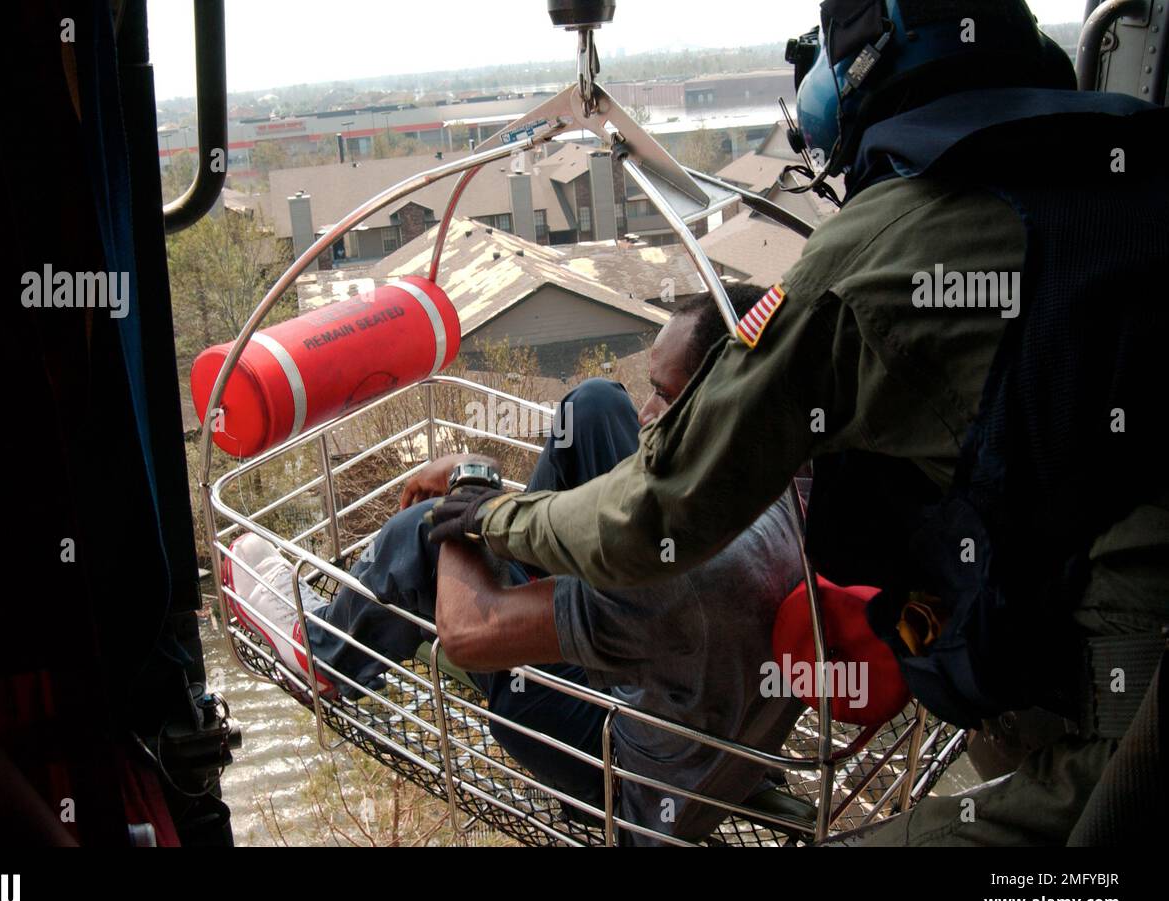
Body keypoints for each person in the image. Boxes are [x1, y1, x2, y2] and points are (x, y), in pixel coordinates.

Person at [426, 0, 1169, 845]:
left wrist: (489, 511)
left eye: (667, 399)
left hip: (1117, 747)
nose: (644, 414)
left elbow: (650, 513)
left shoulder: (884, 246)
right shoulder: (1134, 164)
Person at [229, 284, 807, 845]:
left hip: (625, 773)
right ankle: (512, 556)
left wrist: (469, 489)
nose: (648, 413)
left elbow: (468, 636)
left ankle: (324, 651)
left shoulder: (673, 574)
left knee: (429, 533)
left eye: (666, 395)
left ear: (725, 401)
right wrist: (496, 515)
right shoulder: (786, 481)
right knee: (595, 408)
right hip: (694, 693)